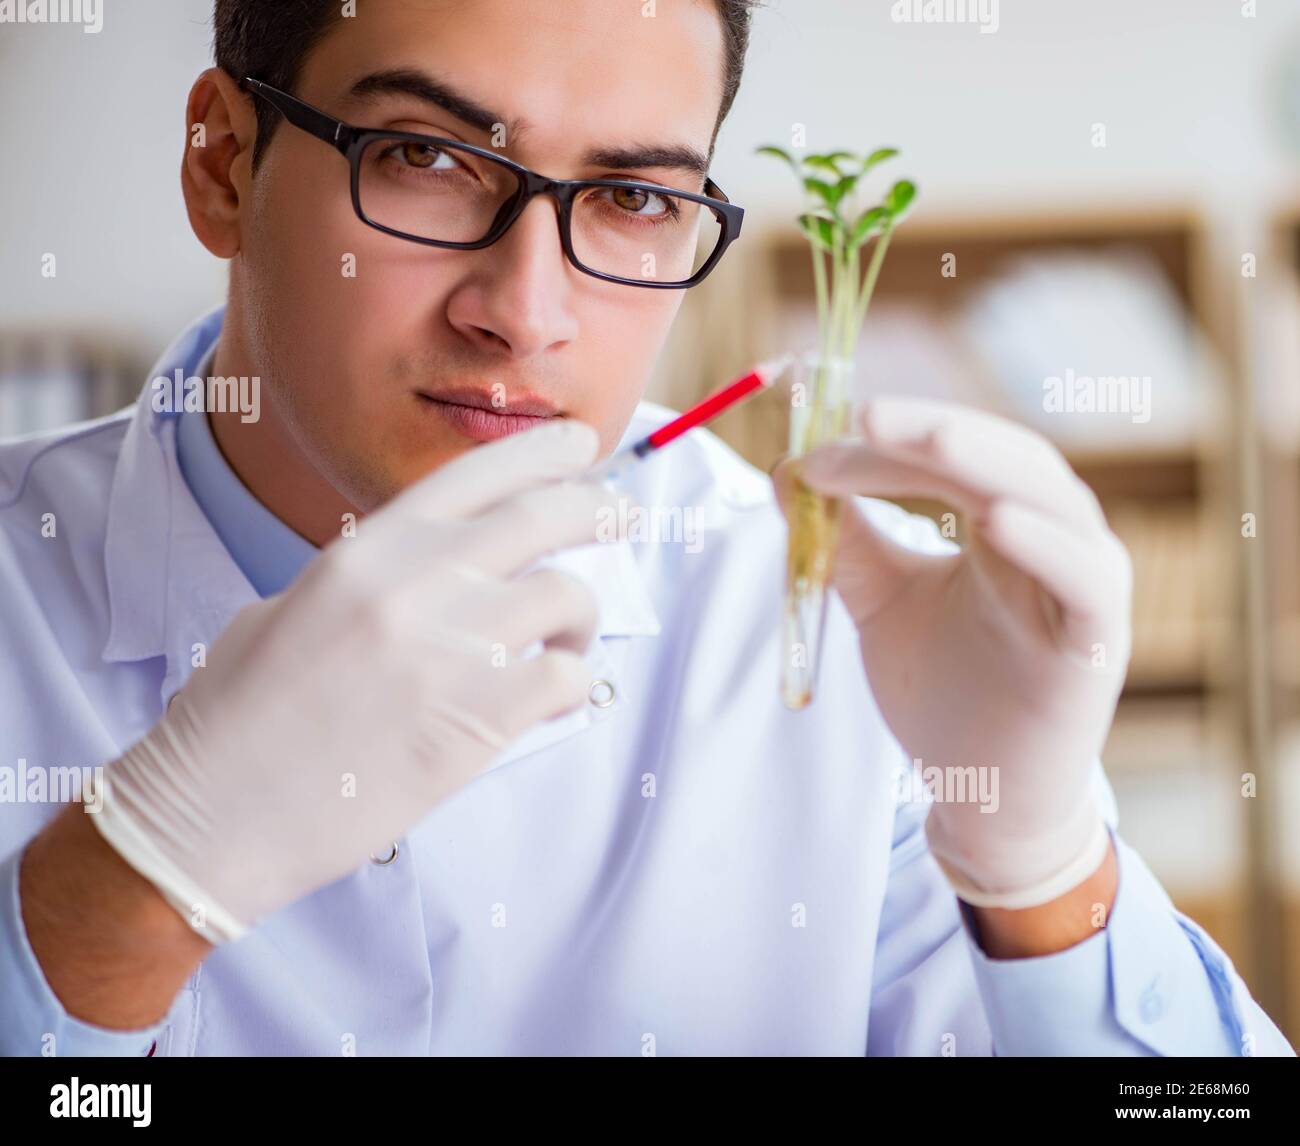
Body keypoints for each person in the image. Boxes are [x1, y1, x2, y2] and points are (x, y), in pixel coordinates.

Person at [0, 0, 1292, 1057]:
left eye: (633, 200)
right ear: (224, 163)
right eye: (427, 159)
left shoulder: (846, 624)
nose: (527, 311)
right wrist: (124, 888)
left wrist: (1037, 868)